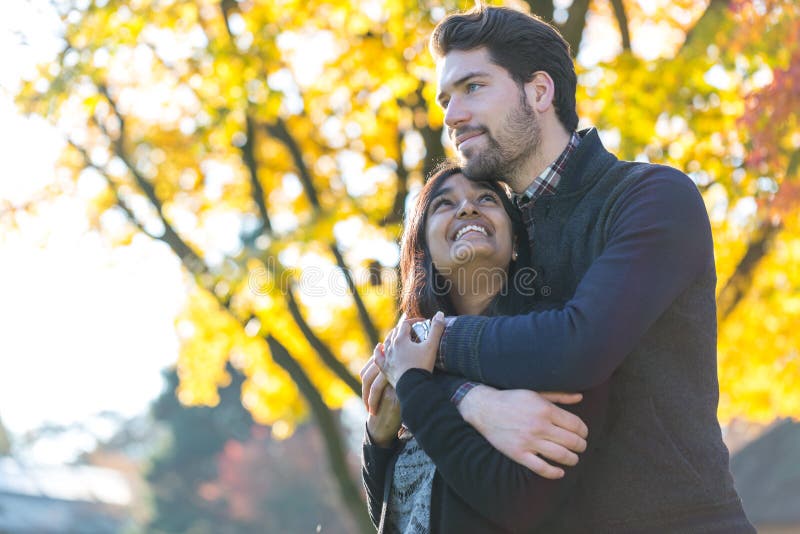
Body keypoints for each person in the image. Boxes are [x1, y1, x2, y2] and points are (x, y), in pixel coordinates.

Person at [375, 6, 755, 533]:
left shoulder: (651, 200)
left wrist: (429, 354)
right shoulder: (512, 239)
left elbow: (576, 348)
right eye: (446, 99)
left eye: (473, 87)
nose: (452, 115)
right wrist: (465, 397)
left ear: (538, 92)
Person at [361, 163, 608, 533]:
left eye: (486, 198)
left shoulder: (551, 345)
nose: (467, 208)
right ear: (424, 251)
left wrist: (416, 385)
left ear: (515, 245)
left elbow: (519, 503)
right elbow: (397, 510)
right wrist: (377, 441)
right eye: (444, 204)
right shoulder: (410, 355)